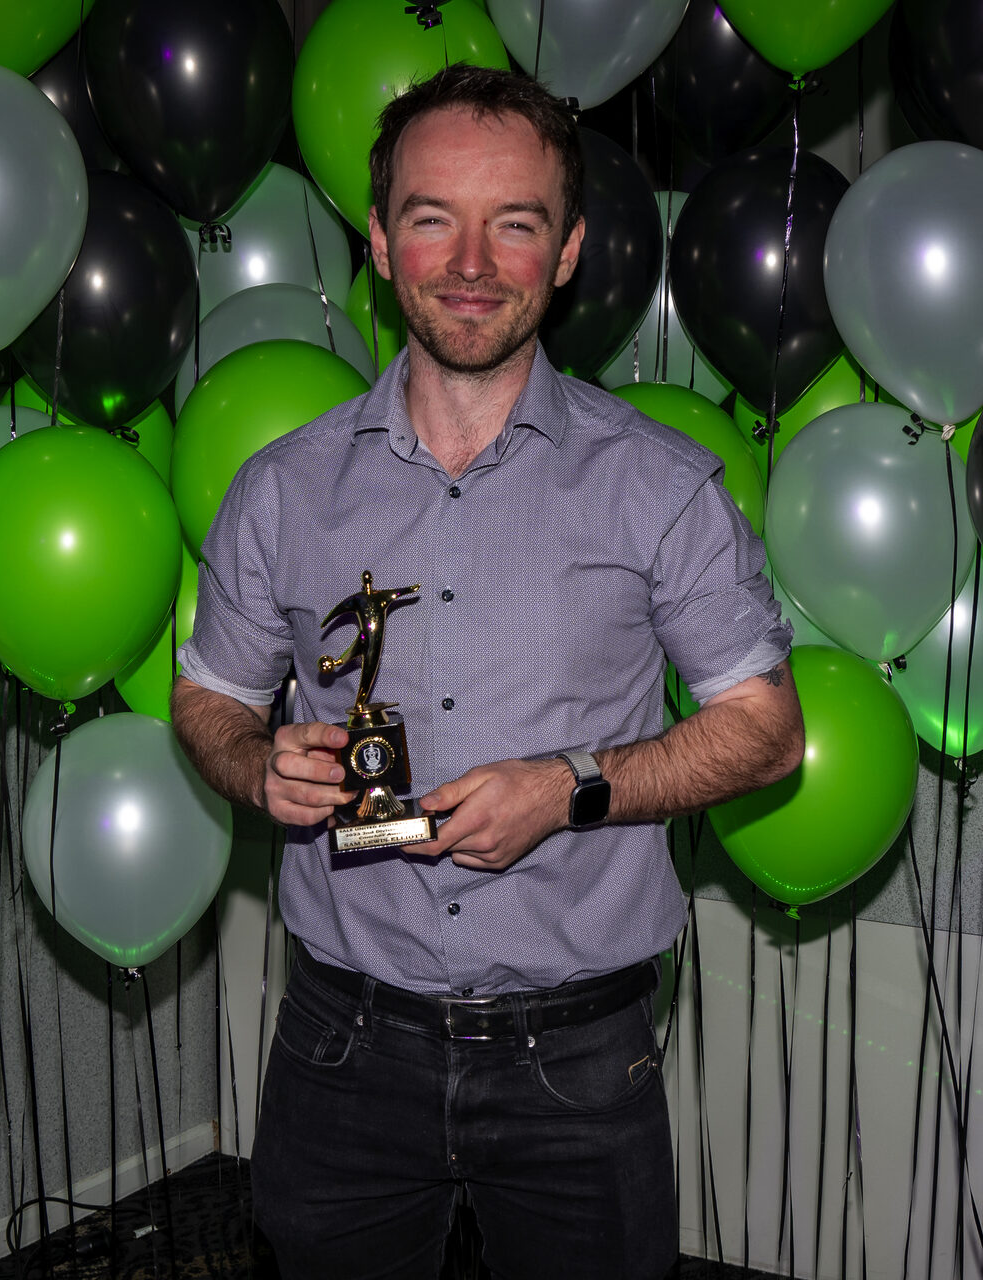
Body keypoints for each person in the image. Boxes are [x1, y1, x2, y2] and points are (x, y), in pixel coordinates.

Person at [170, 63, 804, 1280]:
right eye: (431, 218)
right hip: (340, 1049)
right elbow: (207, 693)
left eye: (513, 223)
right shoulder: (283, 489)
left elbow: (764, 732)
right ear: (378, 240)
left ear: (564, 251)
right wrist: (255, 762)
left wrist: (570, 786)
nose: (470, 262)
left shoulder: (661, 489)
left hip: (576, 1062)